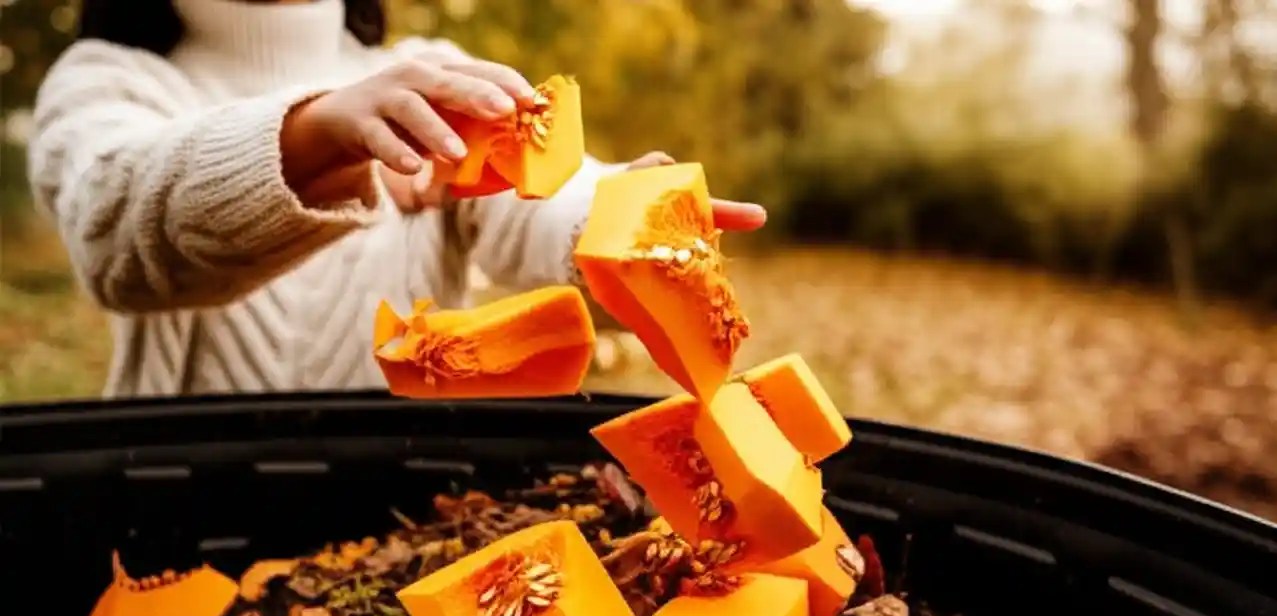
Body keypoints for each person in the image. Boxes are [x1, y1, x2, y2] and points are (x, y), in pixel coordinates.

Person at [27, 0, 767, 398]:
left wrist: (625, 233)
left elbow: (543, 194)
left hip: (408, 508)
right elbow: (113, 237)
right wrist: (316, 138)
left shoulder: (428, 77)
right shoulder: (107, 79)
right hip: (181, 511)